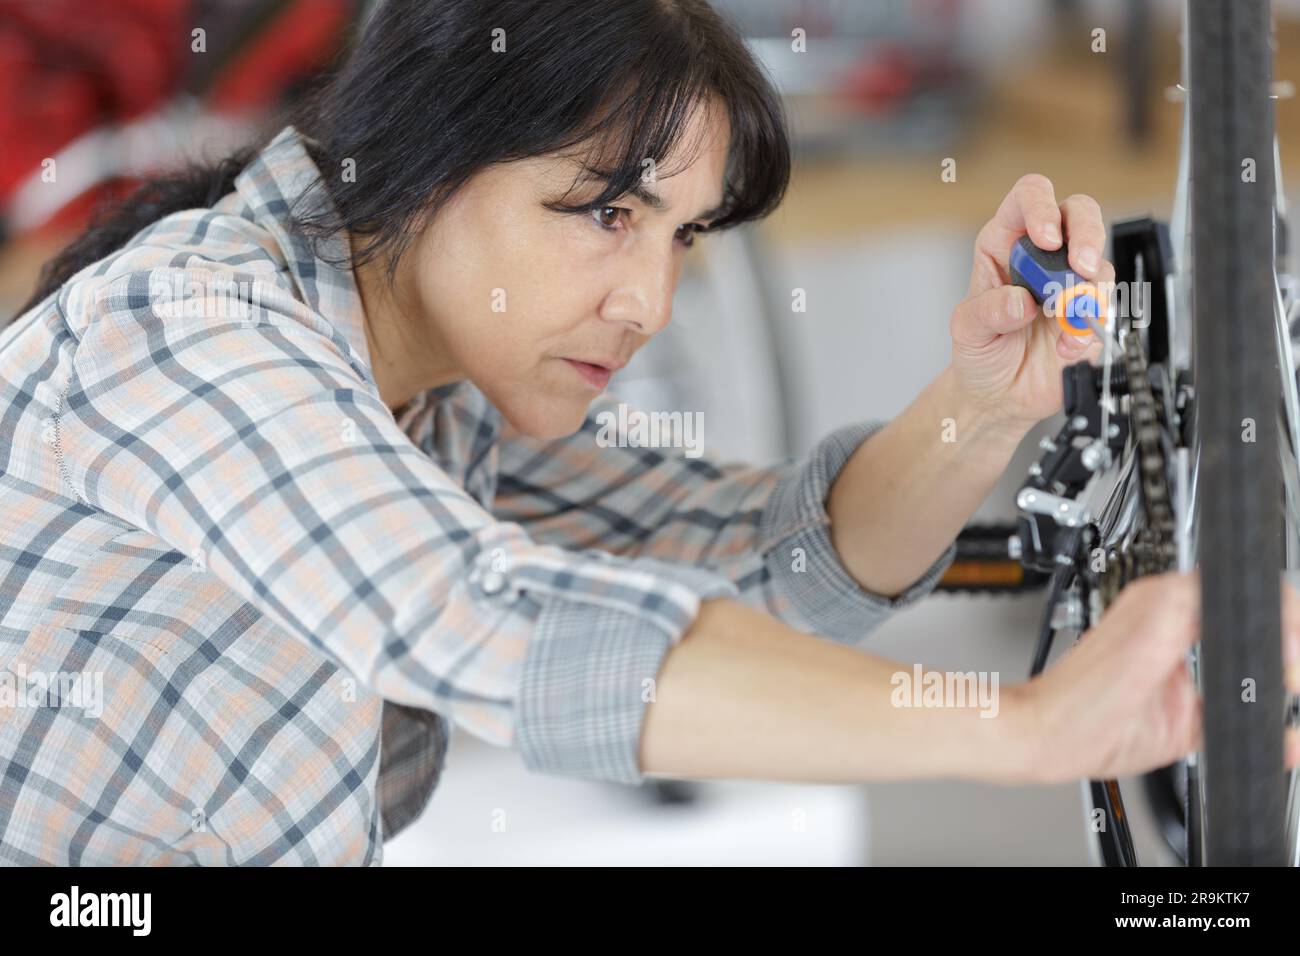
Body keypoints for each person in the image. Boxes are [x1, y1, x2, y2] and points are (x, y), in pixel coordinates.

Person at [1, 0, 1296, 866]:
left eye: (679, 235)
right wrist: (1023, 727)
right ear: (422, 153)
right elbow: (493, 624)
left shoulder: (429, 385)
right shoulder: (199, 328)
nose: (651, 302)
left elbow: (759, 558)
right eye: (603, 214)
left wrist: (988, 398)